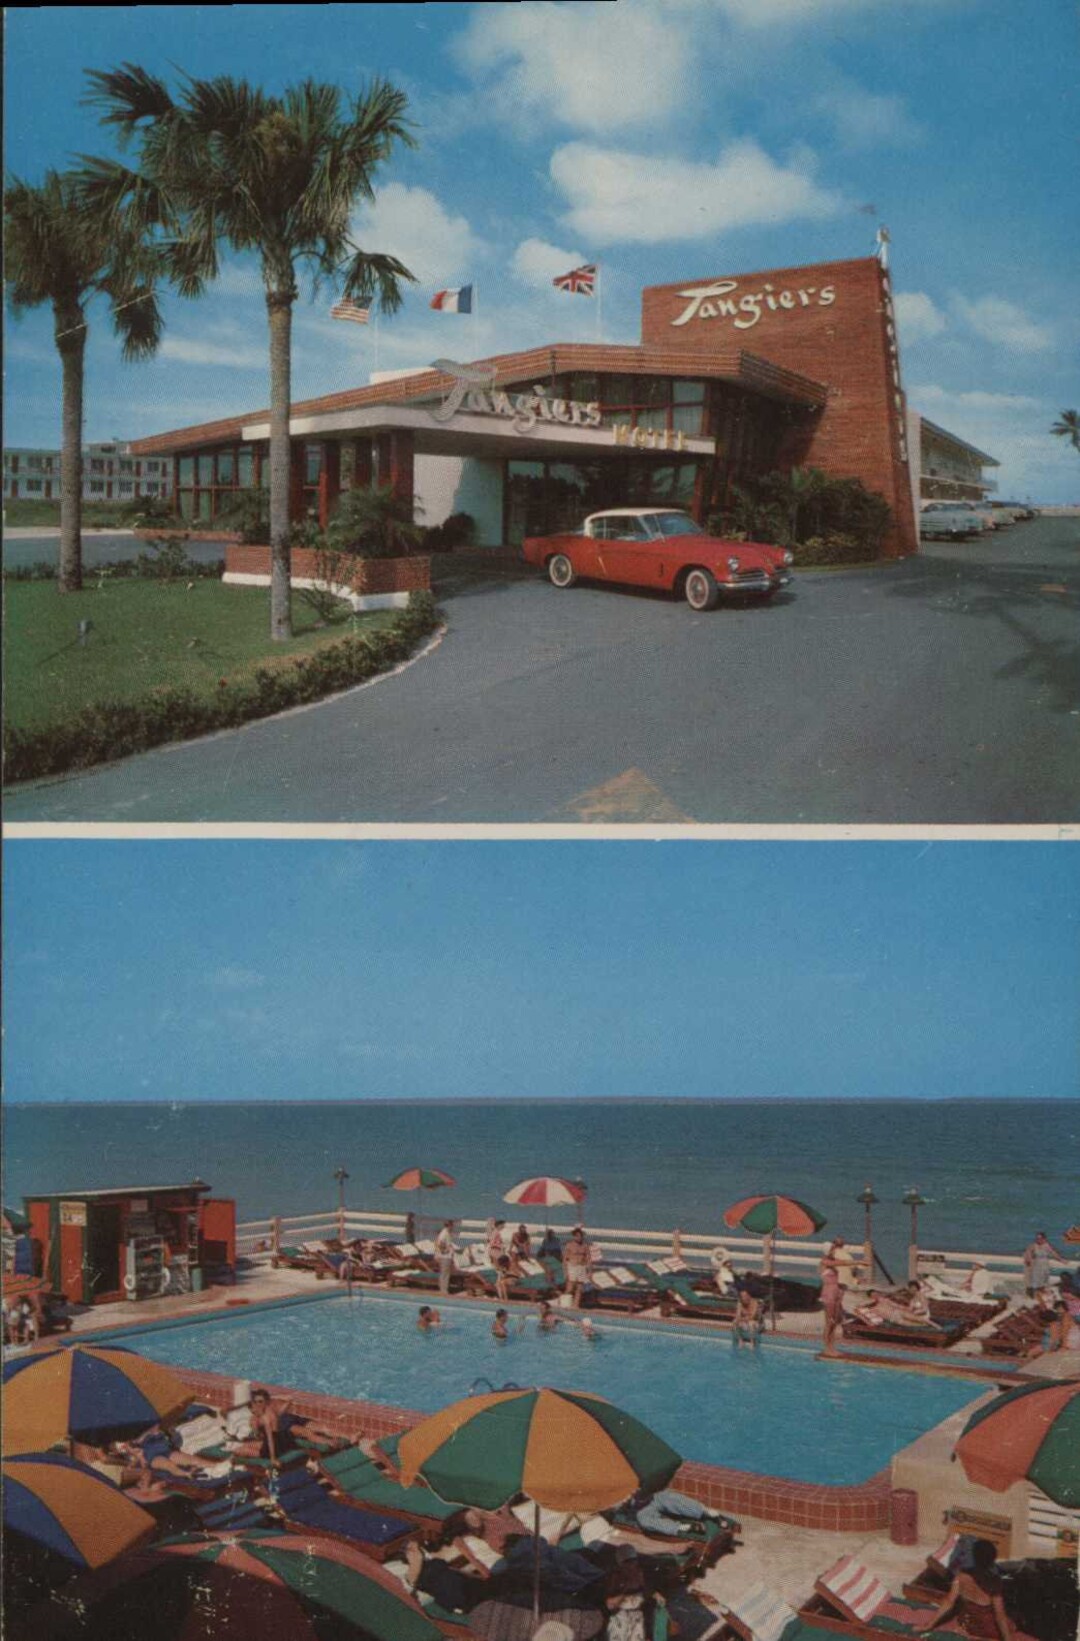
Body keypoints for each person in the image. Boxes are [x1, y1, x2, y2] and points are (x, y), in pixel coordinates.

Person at [918, 1537, 1013, 1640]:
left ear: (974, 1556)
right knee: (1012, 1623)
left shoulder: (961, 1576)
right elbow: (1000, 1616)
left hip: (968, 1625)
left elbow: (948, 1601)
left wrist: (930, 1624)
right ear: (992, 1559)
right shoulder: (994, 1581)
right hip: (988, 1630)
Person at [820, 1243, 844, 1357]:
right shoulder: (824, 1262)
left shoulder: (833, 1261)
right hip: (828, 1293)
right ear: (828, 1251)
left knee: (835, 1321)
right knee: (829, 1321)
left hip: (836, 1293)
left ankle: (832, 1347)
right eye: (832, 1249)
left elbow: (843, 1262)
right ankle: (827, 1348)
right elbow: (843, 1263)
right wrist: (859, 1262)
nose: (834, 1251)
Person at [1023, 1233, 1064, 1298]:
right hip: (1036, 1266)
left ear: (1044, 1239)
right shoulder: (1033, 1245)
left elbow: (1054, 1253)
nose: (1038, 1240)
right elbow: (1027, 1253)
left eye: (1040, 1238)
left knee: (1044, 1283)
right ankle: (1035, 1297)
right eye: (1037, 1238)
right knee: (1036, 1283)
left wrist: (1061, 1260)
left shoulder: (1047, 1245)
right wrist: (1028, 1260)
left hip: (1045, 1266)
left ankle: (1041, 1297)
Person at [563, 1226, 592, 1307]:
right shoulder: (569, 1245)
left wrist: (590, 1271)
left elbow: (588, 1259)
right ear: (574, 1236)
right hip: (572, 1267)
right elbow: (565, 1260)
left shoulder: (585, 1246)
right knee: (570, 1288)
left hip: (581, 1267)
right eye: (578, 1236)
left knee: (579, 1289)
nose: (579, 1238)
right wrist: (565, 1272)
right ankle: (565, 1304)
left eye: (581, 1236)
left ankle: (575, 1306)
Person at [435, 1219, 457, 1296]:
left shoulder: (446, 1233)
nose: (453, 1227)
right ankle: (443, 1290)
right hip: (445, 1256)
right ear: (450, 1225)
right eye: (452, 1226)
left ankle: (444, 1289)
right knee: (444, 1273)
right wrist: (445, 1250)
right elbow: (440, 1243)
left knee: (445, 1273)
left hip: (447, 1256)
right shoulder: (444, 1233)